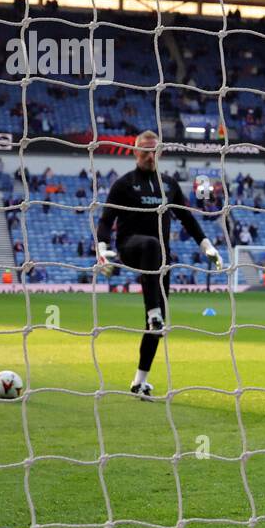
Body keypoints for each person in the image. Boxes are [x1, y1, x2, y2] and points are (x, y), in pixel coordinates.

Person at [95, 130, 222, 399]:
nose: (149, 155)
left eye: (153, 151)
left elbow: (187, 219)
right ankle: (153, 312)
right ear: (134, 151)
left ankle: (139, 381)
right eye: (144, 150)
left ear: (160, 152)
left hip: (160, 261)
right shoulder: (124, 184)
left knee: (158, 326)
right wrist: (103, 249)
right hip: (131, 247)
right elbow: (106, 220)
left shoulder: (169, 184)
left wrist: (207, 245)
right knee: (152, 246)